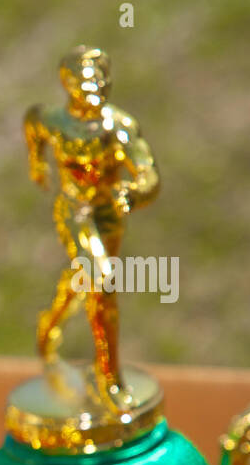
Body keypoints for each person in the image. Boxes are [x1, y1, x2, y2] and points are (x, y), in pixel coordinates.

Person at [24, 45, 160, 413]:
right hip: (74, 210)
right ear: (68, 85)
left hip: (108, 214)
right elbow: (33, 125)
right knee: (102, 283)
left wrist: (135, 191)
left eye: (102, 82)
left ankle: (50, 322)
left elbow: (147, 172)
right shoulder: (53, 120)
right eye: (87, 84)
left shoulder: (119, 128)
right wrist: (38, 164)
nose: (97, 90)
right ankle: (109, 378)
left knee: (87, 279)